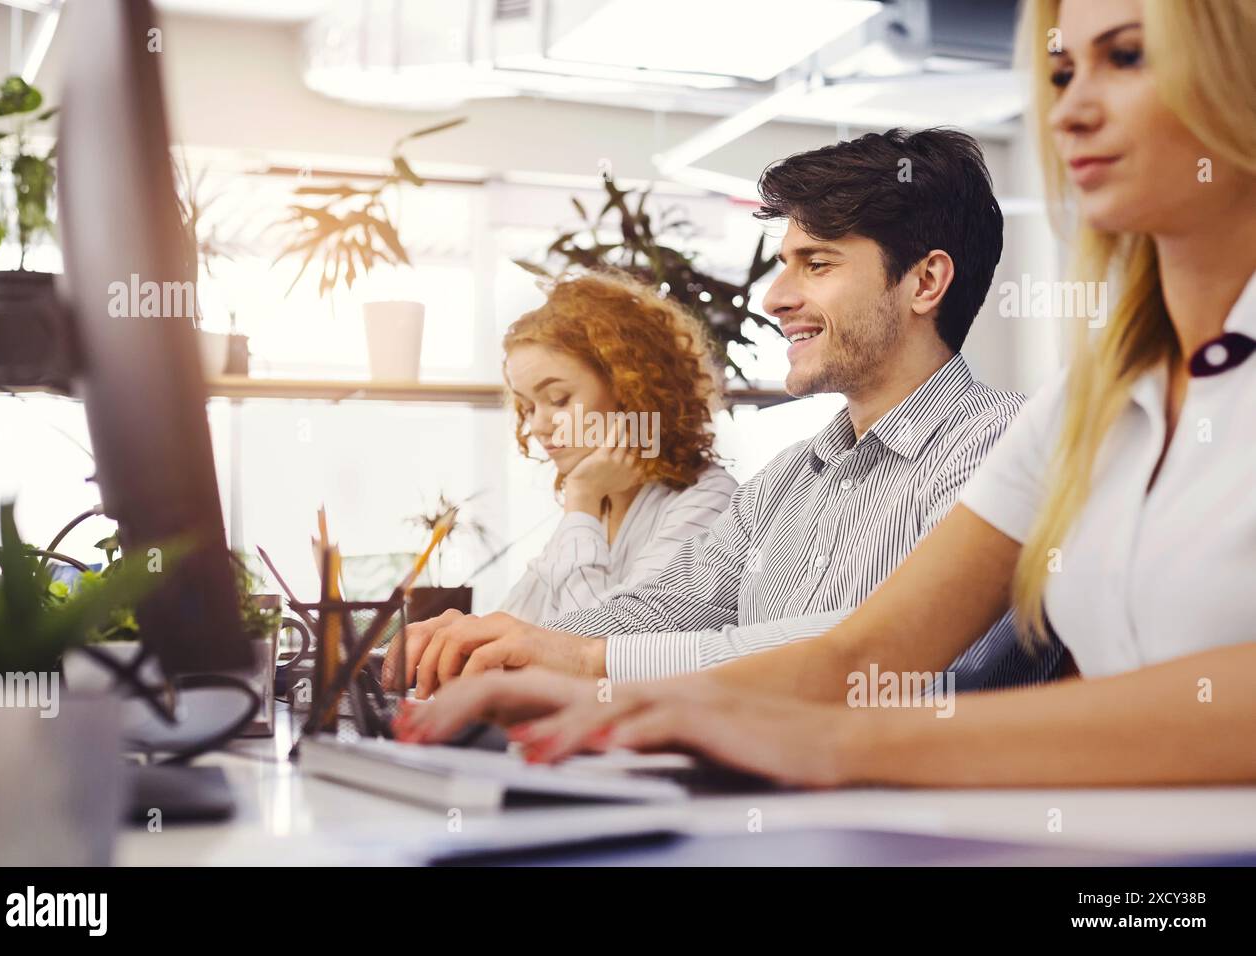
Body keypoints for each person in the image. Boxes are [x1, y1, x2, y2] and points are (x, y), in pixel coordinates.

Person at [396, 0, 1256, 789]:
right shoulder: (1085, 408)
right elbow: (864, 647)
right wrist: (562, 663)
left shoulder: (1007, 433)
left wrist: (804, 735)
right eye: (1062, 72)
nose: (1068, 110)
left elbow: (913, 680)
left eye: (1131, 58)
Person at [404, 127, 1066, 698]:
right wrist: (517, 639)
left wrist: (585, 660)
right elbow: (667, 607)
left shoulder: (1003, 444)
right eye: (784, 265)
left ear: (925, 282)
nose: (776, 297)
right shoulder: (786, 480)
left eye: (817, 264)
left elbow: (883, 647)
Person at [494, 271, 736, 623]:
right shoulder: (599, 505)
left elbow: (597, 643)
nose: (539, 426)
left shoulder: (708, 503)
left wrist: (581, 500)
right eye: (529, 407)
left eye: (558, 399)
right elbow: (514, 626)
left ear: (629, 389)